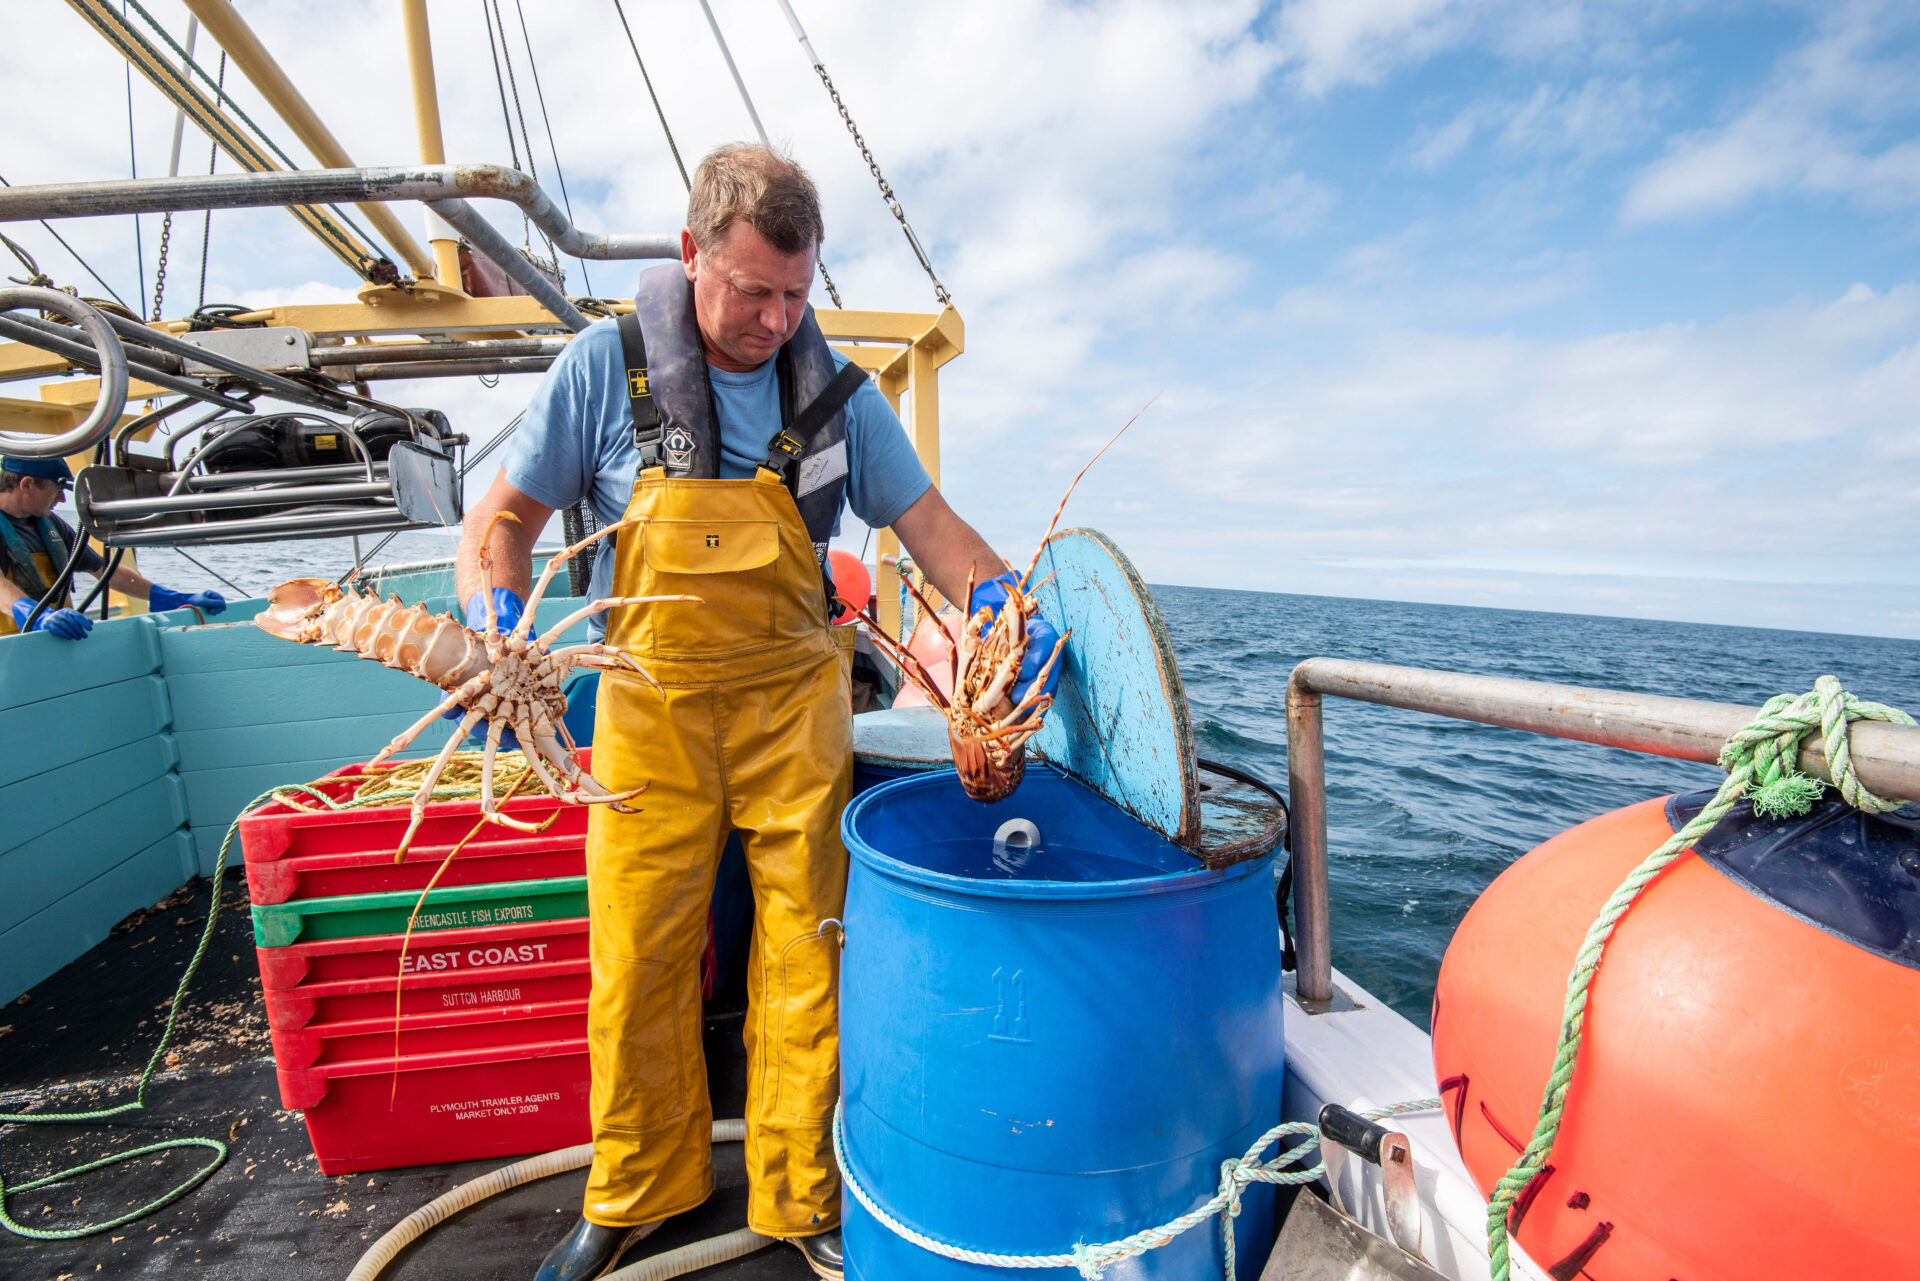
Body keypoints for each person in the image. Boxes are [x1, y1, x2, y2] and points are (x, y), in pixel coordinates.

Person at [453, 144, 1059, 1281]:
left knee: (807, 957)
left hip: (795, 717)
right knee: (636, 959)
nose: (776, 319)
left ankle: (798, 1195)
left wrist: (1003, 607)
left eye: (796, 293)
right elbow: (503, 520)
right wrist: (493, 606)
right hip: (643, 713)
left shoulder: (840, 397)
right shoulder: (605, 366)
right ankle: (635, 1189)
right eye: (750, 291)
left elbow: (934, 532)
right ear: (690, 257)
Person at [0, 456, 225, 637]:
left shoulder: (52, 525)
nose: (61, 498)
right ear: (27, 484)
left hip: (44, 643)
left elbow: (106, 572)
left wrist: (170, 597)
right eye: (56, 489)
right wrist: (33, 615)